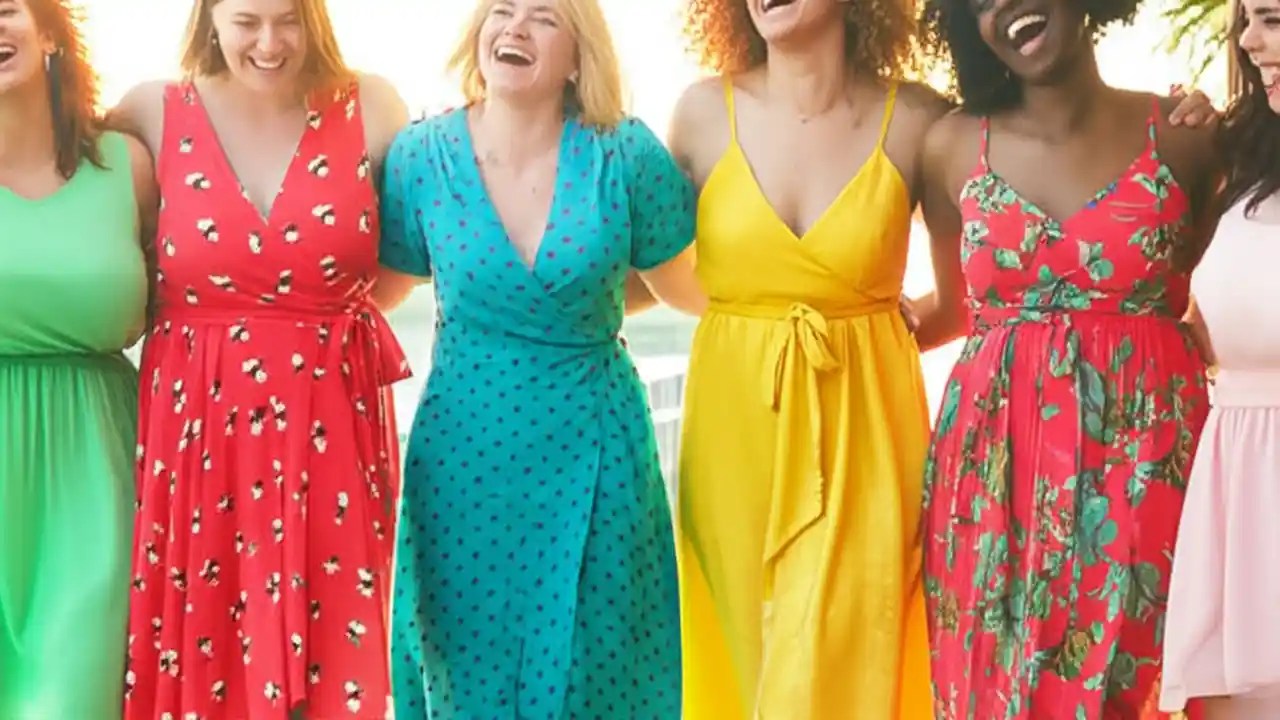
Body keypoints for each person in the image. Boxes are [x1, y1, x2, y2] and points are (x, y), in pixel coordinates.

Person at [372, 0, 703, 716]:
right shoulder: (420, 159)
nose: (516, 27)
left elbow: (703, 291)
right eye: (501, 9)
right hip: (464, 460)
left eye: (545, 16)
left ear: (581, 55)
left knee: (600, 666)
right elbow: (360, 294)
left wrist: (843, 303)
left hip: (598, 454)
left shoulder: (626, 155)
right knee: (462, 669)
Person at [914, 0, 1222, 716]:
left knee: (1140, 686)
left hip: (1147, 464)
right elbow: (954, 310)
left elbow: (1226, 298)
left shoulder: (1185, 140)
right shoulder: (950, 147)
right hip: (993, 479)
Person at [108, 0, 410, 717]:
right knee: (206, 661)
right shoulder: (150, 112)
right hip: (197, 446)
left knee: (336, 663)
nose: (270, 43)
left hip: (333, 433)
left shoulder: (372, 105)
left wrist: (310, 316)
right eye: (247, 20)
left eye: (289, 19)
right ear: (209, 18)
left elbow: (399, 265)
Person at [668, 0, 948, 716]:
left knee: (859, 644)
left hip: (867, 428)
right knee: (740, 653)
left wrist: (884, 322)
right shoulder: (700, 115)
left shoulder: (918, 120)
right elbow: (644, 264)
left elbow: (972, 292)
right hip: (734, 428)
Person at [0, 2, 155, 718]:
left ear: (52, 31)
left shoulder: (127, 167)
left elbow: (201, 308)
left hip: (96, 477)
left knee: (73, 699)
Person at [1161, 1, 1280, 717]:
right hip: (1239, 493)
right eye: (1245, 18)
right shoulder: (1240, 157)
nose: (1247, 40)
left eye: (1270, 17)